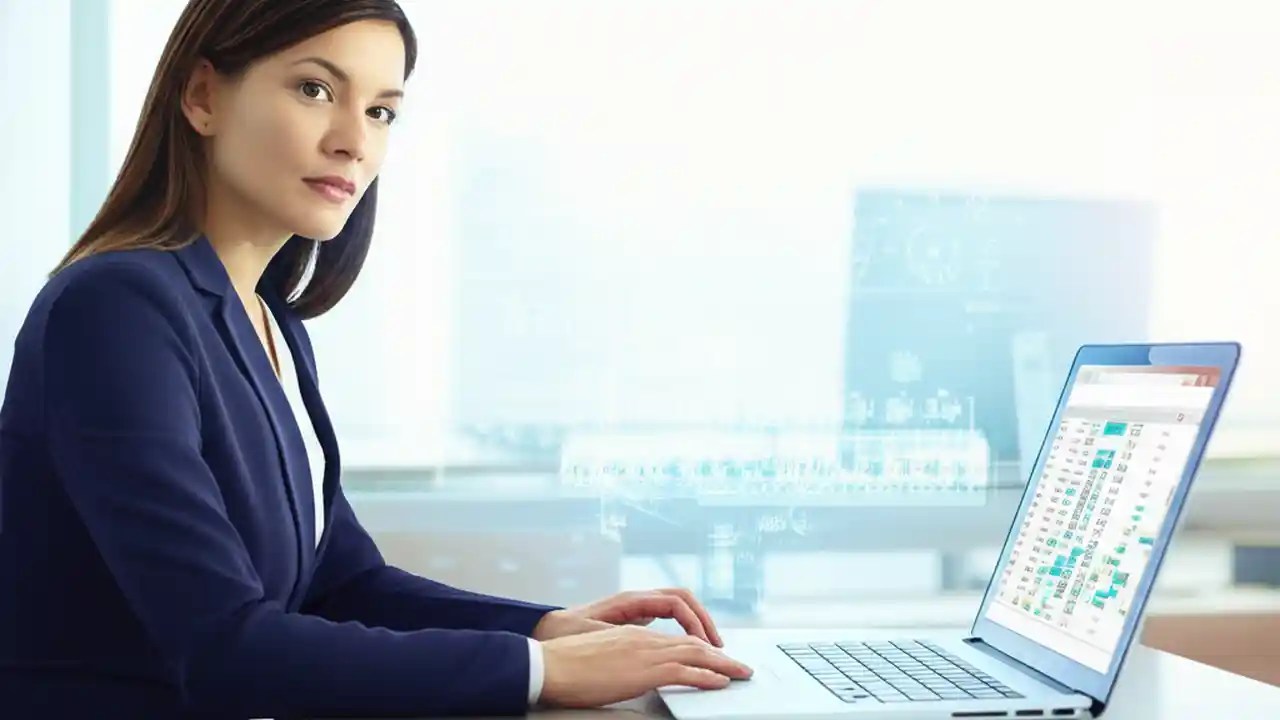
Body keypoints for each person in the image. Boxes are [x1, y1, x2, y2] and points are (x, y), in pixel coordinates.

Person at [0, 1, 752, 717]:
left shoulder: (272, 324)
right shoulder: (115, 309)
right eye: (315, 88)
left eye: (381, 111)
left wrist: (545, 630)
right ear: (202, 96)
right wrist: (543, 674)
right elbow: (226, 645)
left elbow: (341, 582)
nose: (353, 141)